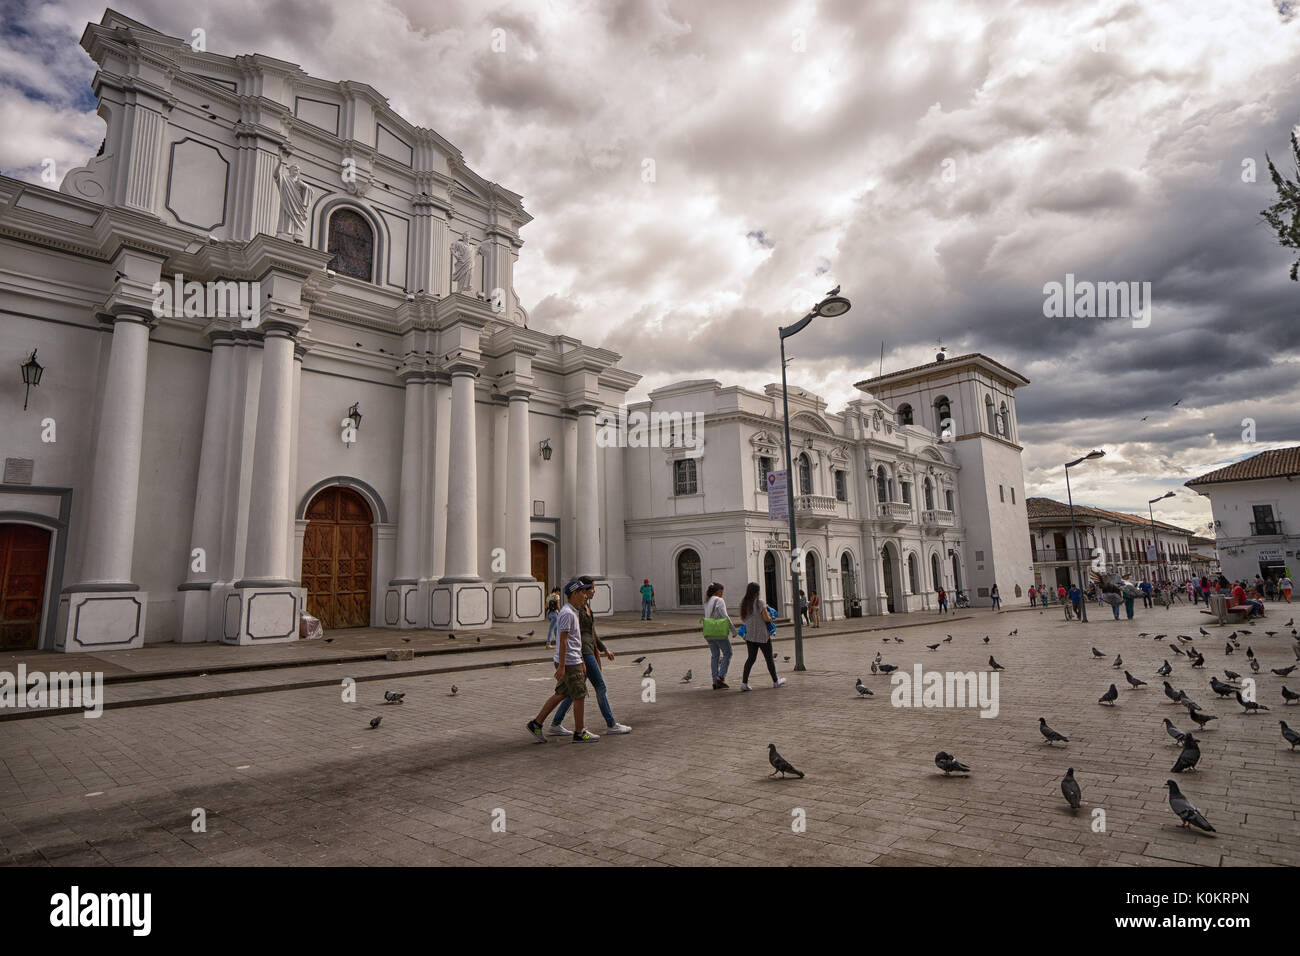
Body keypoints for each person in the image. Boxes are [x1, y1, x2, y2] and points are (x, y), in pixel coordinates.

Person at [549, 578, 631, 736]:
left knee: (574, 692)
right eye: (591, 588)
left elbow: (592, 632)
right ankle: (610, 724)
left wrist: (603, 649)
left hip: (587, 650)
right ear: (582, 591)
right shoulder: (576, 610)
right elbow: (571, 636)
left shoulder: (585, 607)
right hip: (582, 653)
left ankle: (556, 723)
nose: (593, 591)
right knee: (599, 686)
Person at [527, 579, 599, 743]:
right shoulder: (567, 613)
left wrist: (581, 659)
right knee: (579, 695)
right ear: (574, 594)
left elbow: (574, 640)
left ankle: (536, 723)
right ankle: (580, 732)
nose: (585, 595)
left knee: (562, 693)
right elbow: (563, 641)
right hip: (568, 661)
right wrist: (561, 666)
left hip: (573, 659)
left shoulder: (573, 611)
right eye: (582, 592)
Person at [739, 582, 785, 691]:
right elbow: (766, 618)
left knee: (750, 659)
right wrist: (771, 618)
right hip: (762, 636)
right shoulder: (759, 603)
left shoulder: (744, 603)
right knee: (769, 659)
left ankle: (744, 683)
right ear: (757, 592)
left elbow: (743, 619)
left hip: (750, 636)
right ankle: (775, 681)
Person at [702, 582, 736, 689]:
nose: (722, 594)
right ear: (718, 591)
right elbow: (724, 616)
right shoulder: (719, 600)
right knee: (728, 653)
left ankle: (714, 681)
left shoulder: (707, 601)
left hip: (708, 631)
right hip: (718, 631)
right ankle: (720, 678)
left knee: (715, 656)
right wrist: (733, 630)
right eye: (722, 591)